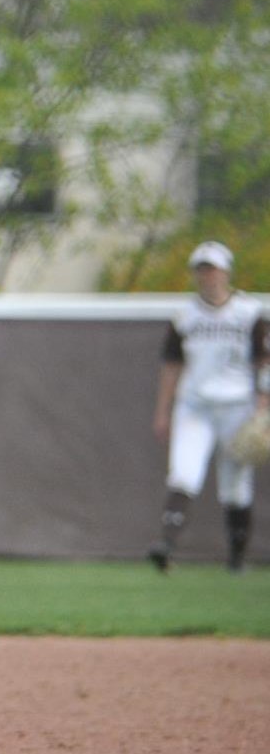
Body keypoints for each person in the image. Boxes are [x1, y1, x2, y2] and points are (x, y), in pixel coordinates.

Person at [147, 240, 270, 574]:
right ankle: (166, 547)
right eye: (202, 270)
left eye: (213, 269)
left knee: (235, 485)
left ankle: (237, 559)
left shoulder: (248, 312)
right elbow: (171, 366)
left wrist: (263, 404)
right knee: (184, 473)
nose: (208, 276)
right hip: (195, 405)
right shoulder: (185, 316)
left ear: (226, 272)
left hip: (237, 407)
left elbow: (263, 361)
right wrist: (163, 410)